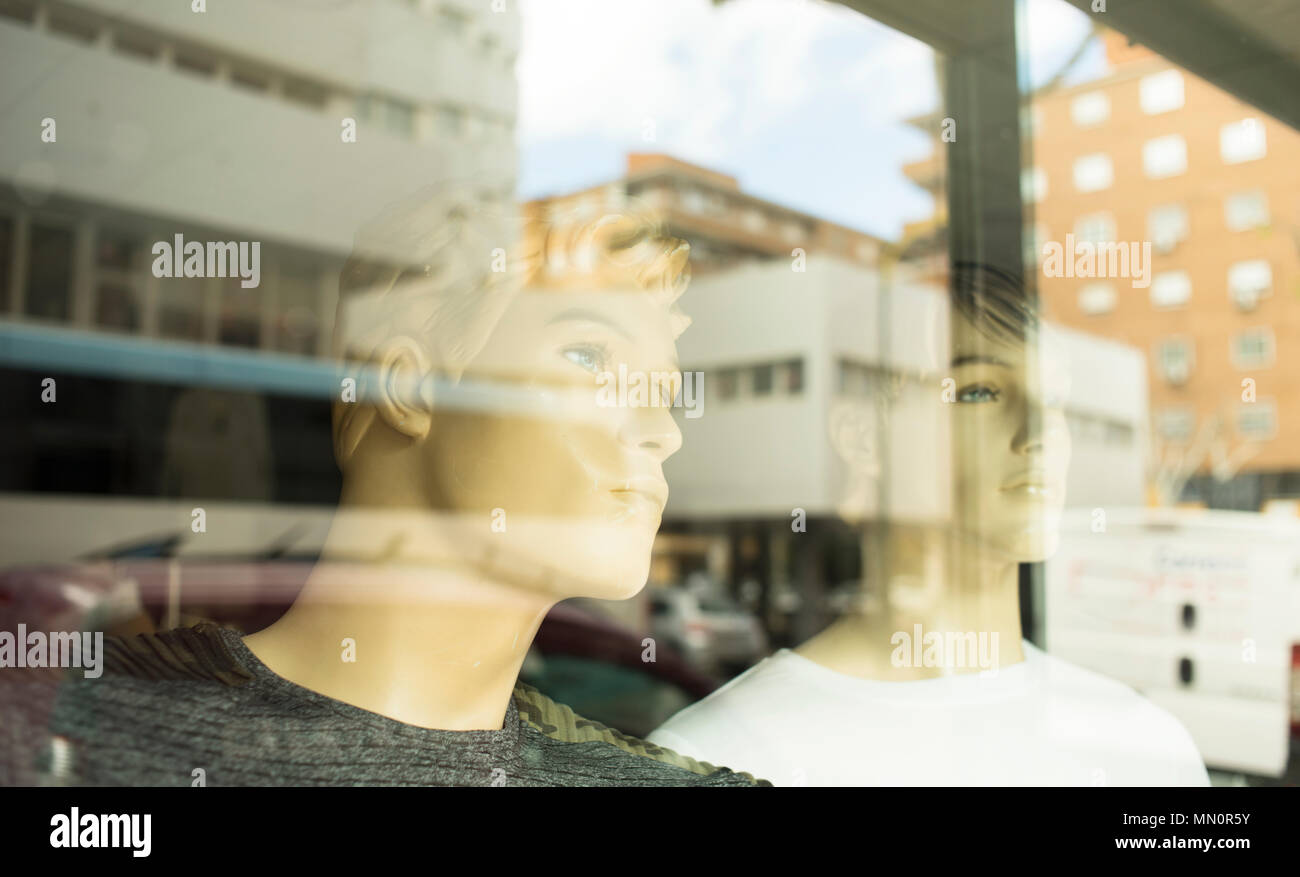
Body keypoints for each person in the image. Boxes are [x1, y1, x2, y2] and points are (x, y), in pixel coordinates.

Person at [0, 188, 766, 787]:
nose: (660, 429)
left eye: (664, 390)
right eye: (591, 358)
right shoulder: (60, 738)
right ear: (411, 383)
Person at [648, 262, 1209, 786]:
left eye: (1054, 399)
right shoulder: (719, 759)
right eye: (981, 391)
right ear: (864, 438)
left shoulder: (1149, 752)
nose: (1038, 434)